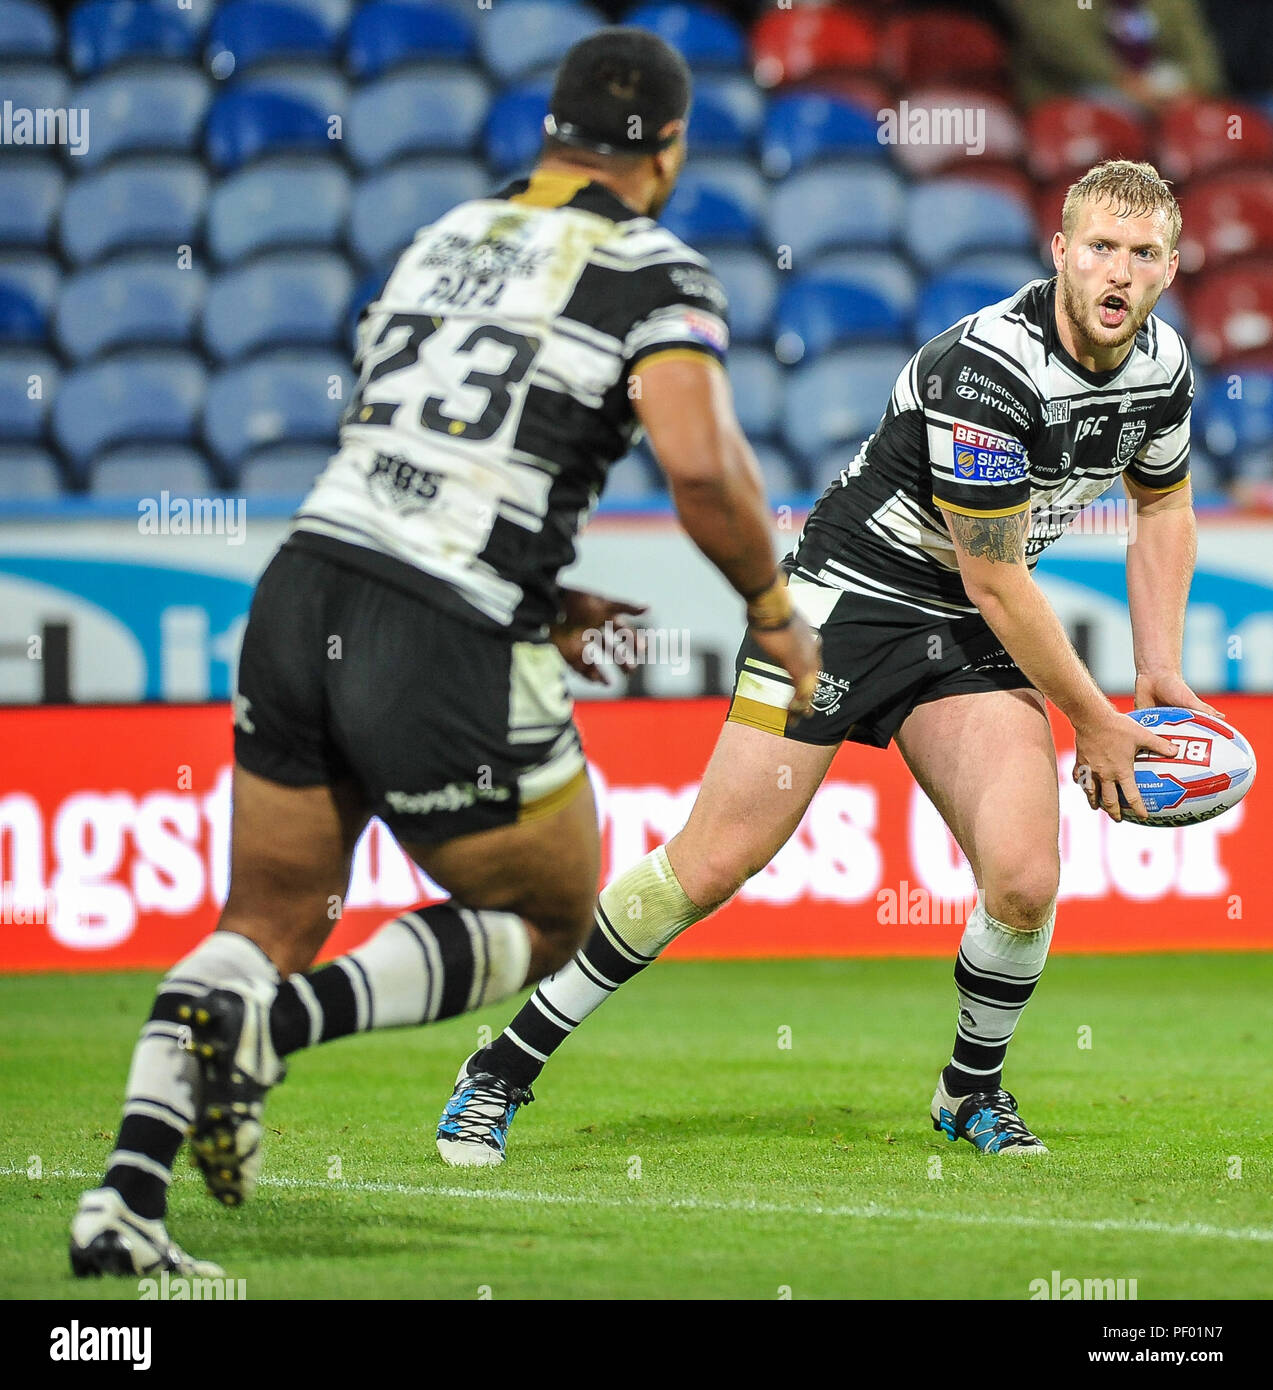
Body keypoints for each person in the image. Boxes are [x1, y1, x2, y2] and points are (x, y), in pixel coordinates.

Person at [69, 27, 819, 1277]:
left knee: (261, 914)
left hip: (305, 581)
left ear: (548, 132)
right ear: (672, 149)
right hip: (442, 623)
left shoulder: (440, 238)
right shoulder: (651, 266)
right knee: (546, 909)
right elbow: (699, 463)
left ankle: (122, 1205)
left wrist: (542, 584)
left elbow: (415, 449)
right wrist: (770, 606)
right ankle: (273, 1033)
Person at [421, 157, 1220, 1163]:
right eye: (1099, 246)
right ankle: (501, 1067)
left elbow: (1163, 506)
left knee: (1022, 879)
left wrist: (1157, 669)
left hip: (964, 627)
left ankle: (968, 1091)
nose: (1117, 271)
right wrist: (1096, 722)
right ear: (1058, 252)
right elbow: (998, 582)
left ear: (1170, 267)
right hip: (840, 608)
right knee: (709, 864)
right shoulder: (983, 369)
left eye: (1141, 254)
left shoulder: (1165, 368)